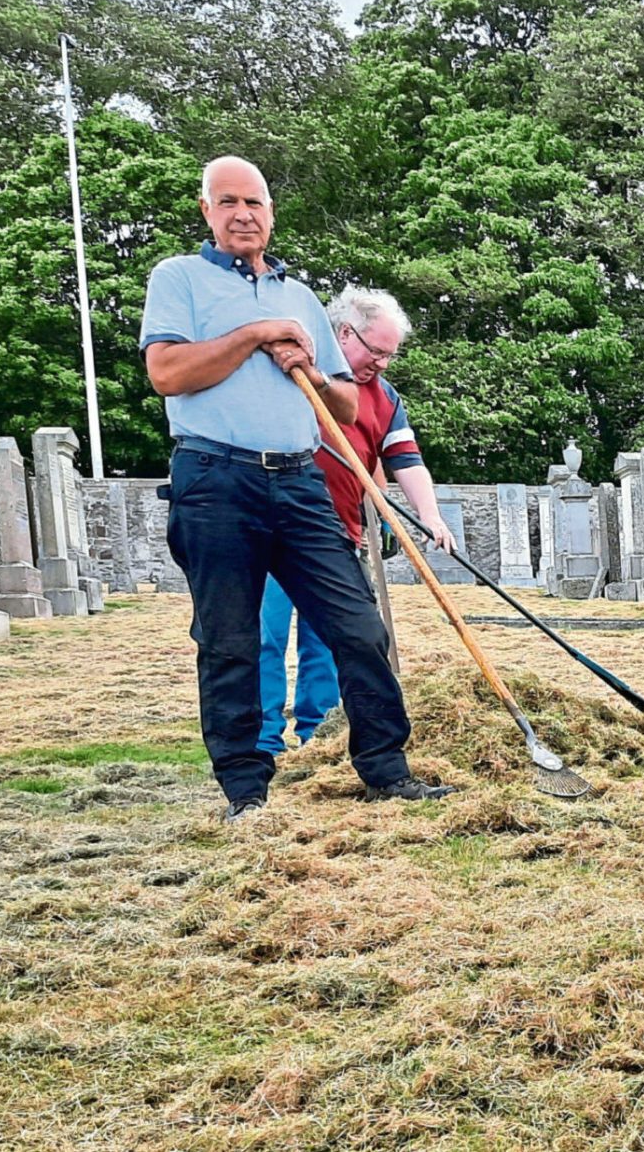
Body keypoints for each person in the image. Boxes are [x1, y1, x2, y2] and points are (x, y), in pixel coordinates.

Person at [142, 155, 453, 822]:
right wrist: (255, 336)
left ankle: (385, 769)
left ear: (271, 213)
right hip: (214, 477)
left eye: (253, 202)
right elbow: (167, 372)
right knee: (229, 639)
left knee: (359, 627)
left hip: (297, 478)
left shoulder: (301, 298)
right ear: (207, 211)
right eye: (227, 202)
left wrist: (306, 362)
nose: (243, 214)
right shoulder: (179, 279)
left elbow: (342, 403)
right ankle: (245, 788)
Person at [257, 286, 456, 755]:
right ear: (344, 333)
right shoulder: (292, 373)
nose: (383, 363)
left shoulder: (385, 397)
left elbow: (405, 458)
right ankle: (263, 742)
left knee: (330, 639)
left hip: (337, 535)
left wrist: (429, 517)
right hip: (270, 530)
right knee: (261, 637)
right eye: (377, 352)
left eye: (391, 355)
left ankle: (318, 734)